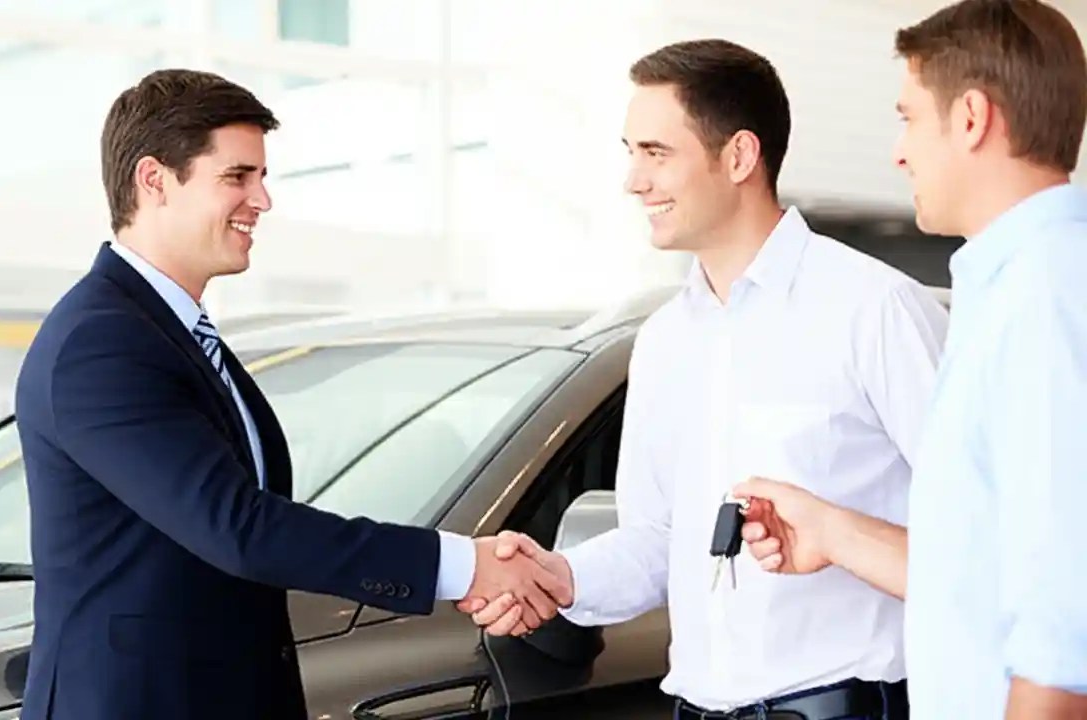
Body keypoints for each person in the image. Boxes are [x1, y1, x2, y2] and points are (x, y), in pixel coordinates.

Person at [12, 69, 571, 720]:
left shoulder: (169, 333)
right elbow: (240, 527)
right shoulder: (102, 342)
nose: (263, 200)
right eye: (238, 176)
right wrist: (463, 566)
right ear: (154, 180)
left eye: (261, 177)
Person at [459, 39, 947, 719]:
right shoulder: (664, 341)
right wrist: (561, 576)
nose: (633, 181)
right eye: (630, 152)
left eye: (656, 154)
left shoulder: (876, 310)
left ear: (740, 156)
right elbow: (659, 538)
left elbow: (983, 534)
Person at [732, 1, 1087, 718]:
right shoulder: (1010, 287)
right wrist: (830, 531)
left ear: (971, 119)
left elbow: (1065, 630)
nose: (898, 151)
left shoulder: (1048, 291)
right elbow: (983, 571)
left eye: (908, 117)